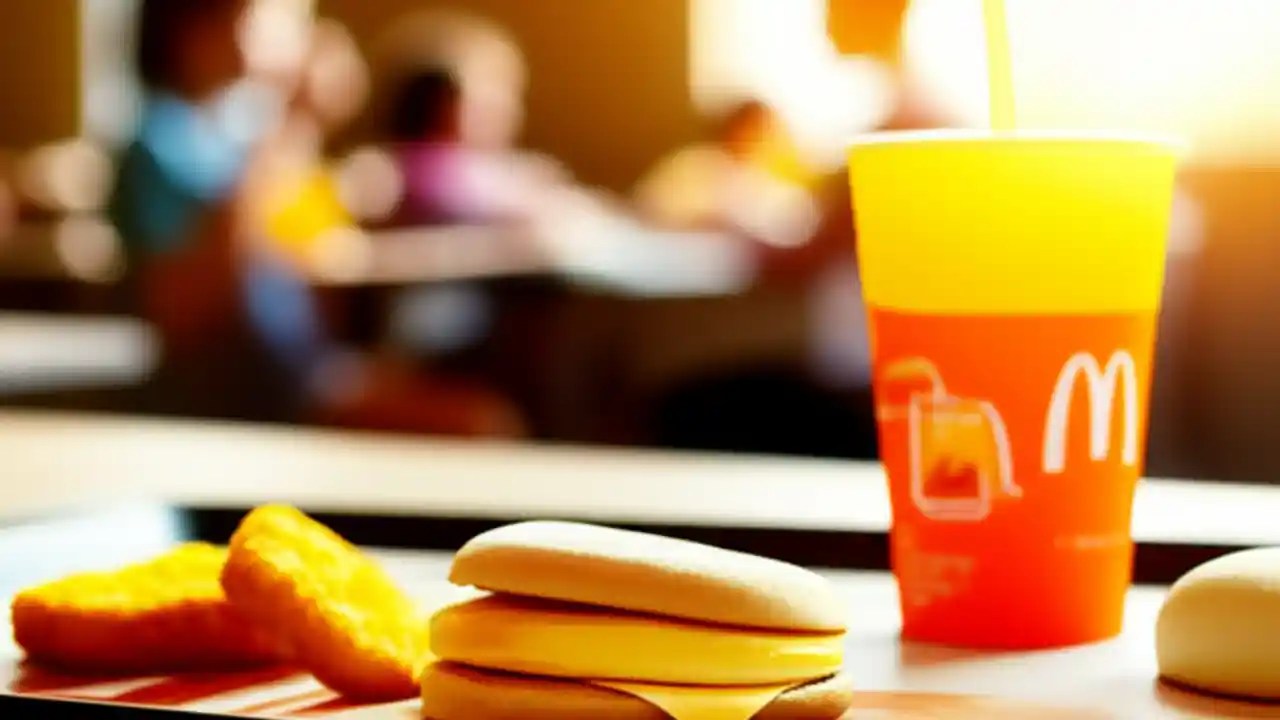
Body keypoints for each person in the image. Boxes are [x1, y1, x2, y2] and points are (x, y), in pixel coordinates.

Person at [109, 0, 522, 436]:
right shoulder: (159, 144)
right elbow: (187, 313)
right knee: (482, 424)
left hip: (303, 372)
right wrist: (285, 124)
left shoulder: (232, 131)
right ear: (197, 28)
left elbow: (311, 251)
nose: (291, 35)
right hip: (239, 394)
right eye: (271, 16)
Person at [633, 100, 820, 251]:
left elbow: (796, 228)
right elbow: (650, 206)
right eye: (752, 130)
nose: (758, 140)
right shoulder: (693, 163)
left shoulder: (769, 186)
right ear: (733, 128)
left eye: (765, 133)